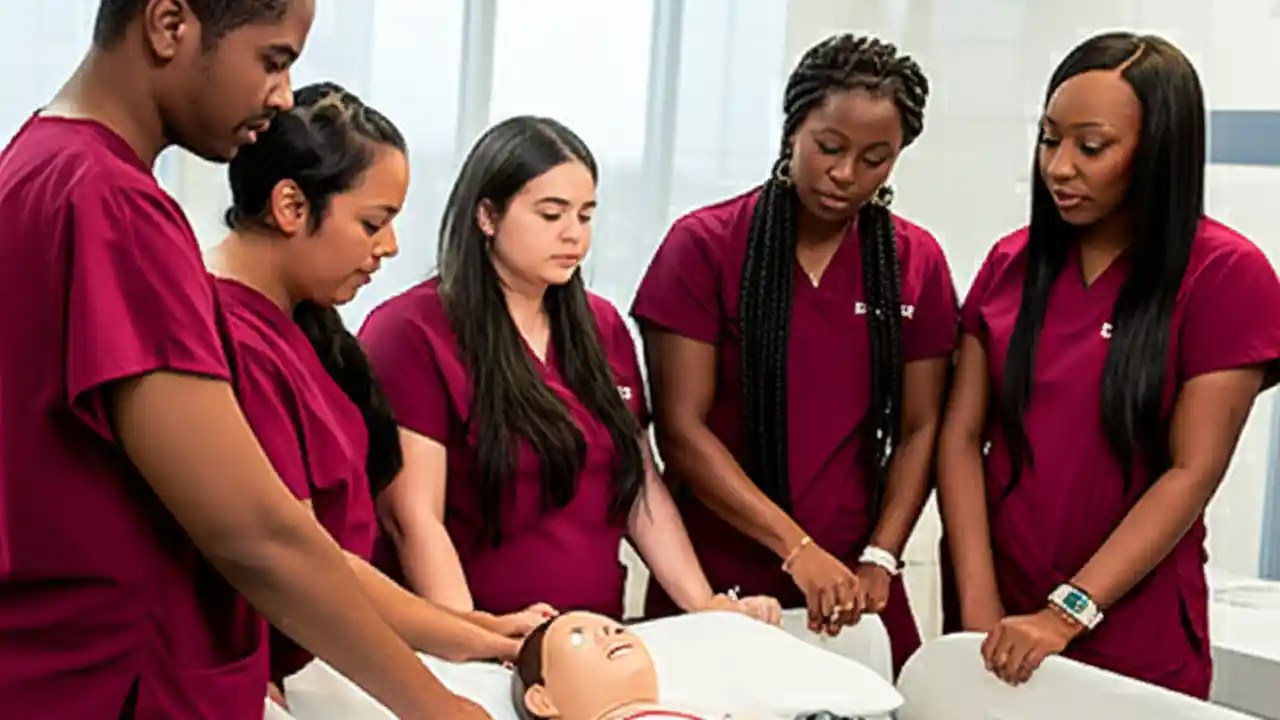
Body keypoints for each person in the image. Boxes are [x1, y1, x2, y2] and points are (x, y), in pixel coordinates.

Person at [0, 2, 484, 718]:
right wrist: (438, 707)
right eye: (273, 60)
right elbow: (256, 533)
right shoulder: (114, 206)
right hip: (119, 680)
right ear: (170, 25)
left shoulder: (32, 167)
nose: (284, 96)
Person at [937, 32, 1280, 698]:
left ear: (1158, 154)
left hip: (1132, 634)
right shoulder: (1010, 264)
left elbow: (1192, 470)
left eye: (1091, 148)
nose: (1060, 167)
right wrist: (977, 608)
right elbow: (958, 437)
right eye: (1049, 139)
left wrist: (1068, 611)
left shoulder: (1225, 275)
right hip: (995, 622)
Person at [359, 116, 781, 634]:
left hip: (593, 640)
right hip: (476, 639)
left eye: (585, 215)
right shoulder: (411, 332)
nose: (574, 235)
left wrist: (703, 604)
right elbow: (412, 519)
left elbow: (639, 485)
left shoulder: (602, 327)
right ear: (487, 216)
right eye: (551, 214)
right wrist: (476, 636)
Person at [630, 33, 956, 674]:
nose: (845, 174)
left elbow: (922, 426)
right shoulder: (704, 247)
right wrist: (795, 549)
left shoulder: (915, 264)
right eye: (829, 148)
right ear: (792, 132)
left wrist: (882, 556)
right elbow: (681, 431)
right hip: (716, 574)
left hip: (853, 588)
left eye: (875, 158)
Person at [209, 81, 524, 704]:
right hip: (286, 666)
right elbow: (304, 559)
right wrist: (470, 643)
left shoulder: (296, 325)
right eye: (373, 223)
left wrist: (470, 629)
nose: (390, 246)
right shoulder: (231, 340)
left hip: (330, 650)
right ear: (291, 206)